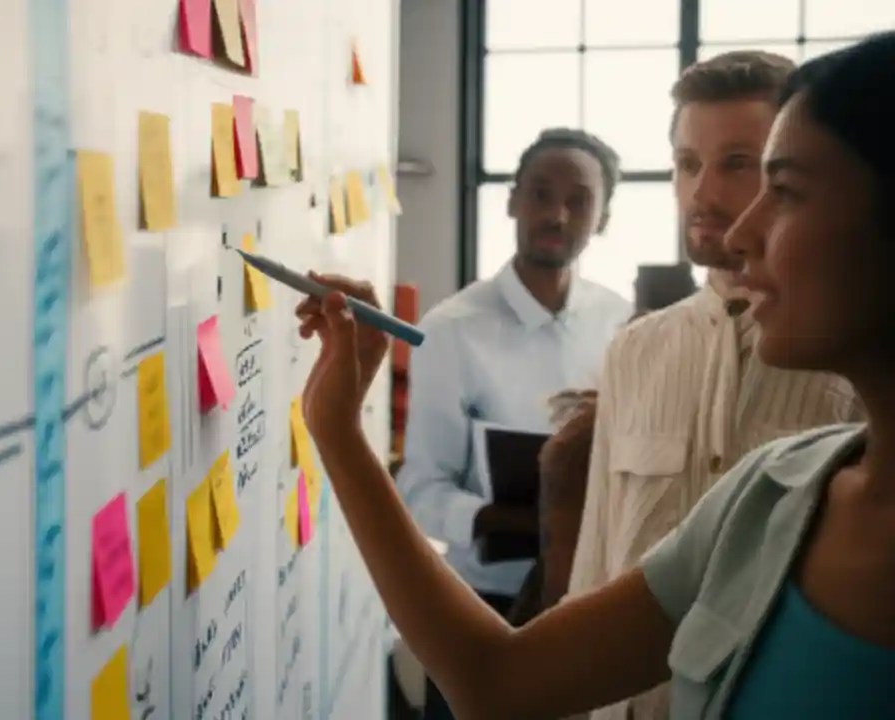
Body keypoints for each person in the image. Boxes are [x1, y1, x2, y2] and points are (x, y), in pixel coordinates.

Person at [293, 33, 895, 719]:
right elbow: (501, 679)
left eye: (778, 186)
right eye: (687, 164)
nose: (737, 226)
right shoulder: (769, 498)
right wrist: (336, 428)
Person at [563, 49, 866, 719]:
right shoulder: (633, 352)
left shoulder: (846, 355)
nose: (702, 193)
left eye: (737, 163)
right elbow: (593, 568)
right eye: (687, 164)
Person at [397, 127, 632, 616]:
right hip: (485, 604)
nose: (555, 215)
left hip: (597, 596)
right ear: (512, 203)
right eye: (540, 195)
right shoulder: (450, 330)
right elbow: (419, 490)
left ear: (604, 220)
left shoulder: (624, 325)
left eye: (579, 202)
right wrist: (498, 519)